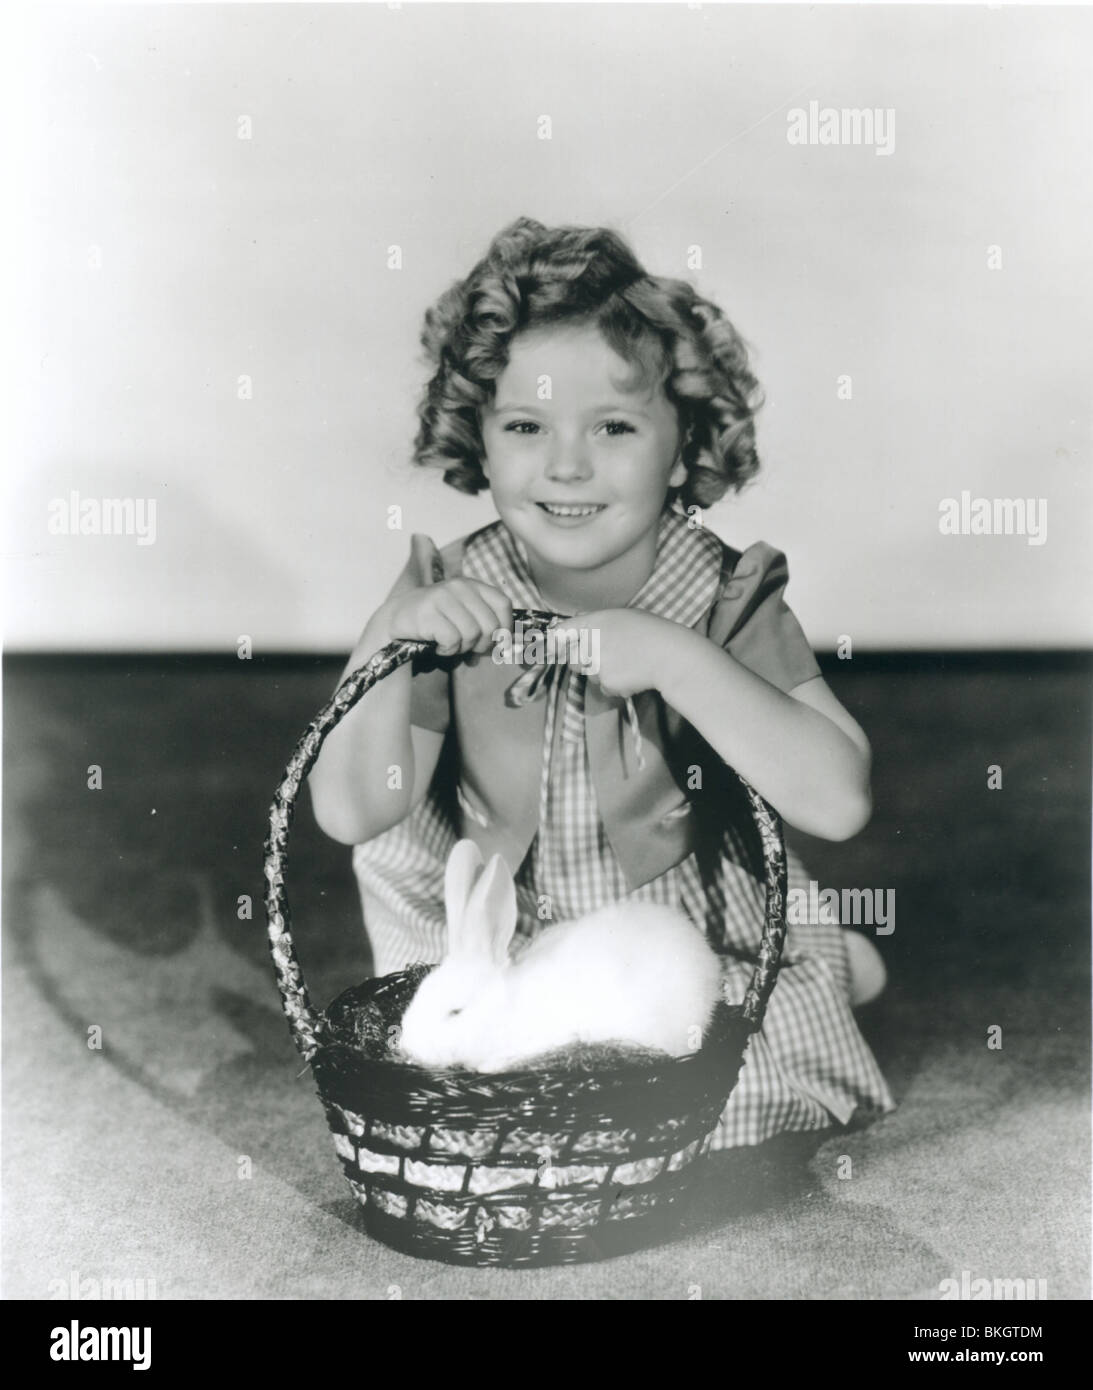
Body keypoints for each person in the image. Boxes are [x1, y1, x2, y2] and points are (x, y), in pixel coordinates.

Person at [308, 217, 894, 1148]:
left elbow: (837, 802)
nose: (567, 465)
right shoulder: (448, 591)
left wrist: (674, 658)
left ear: (682, 443)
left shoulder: (721, 592)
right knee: (470, 1101)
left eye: (614, 426)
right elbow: (351, 815)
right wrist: (390, 640)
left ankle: (830, 966)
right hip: (500, 928)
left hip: (670, 930)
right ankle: (837, 967)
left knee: (690, 1114)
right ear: (481, 439)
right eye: (526, 426)